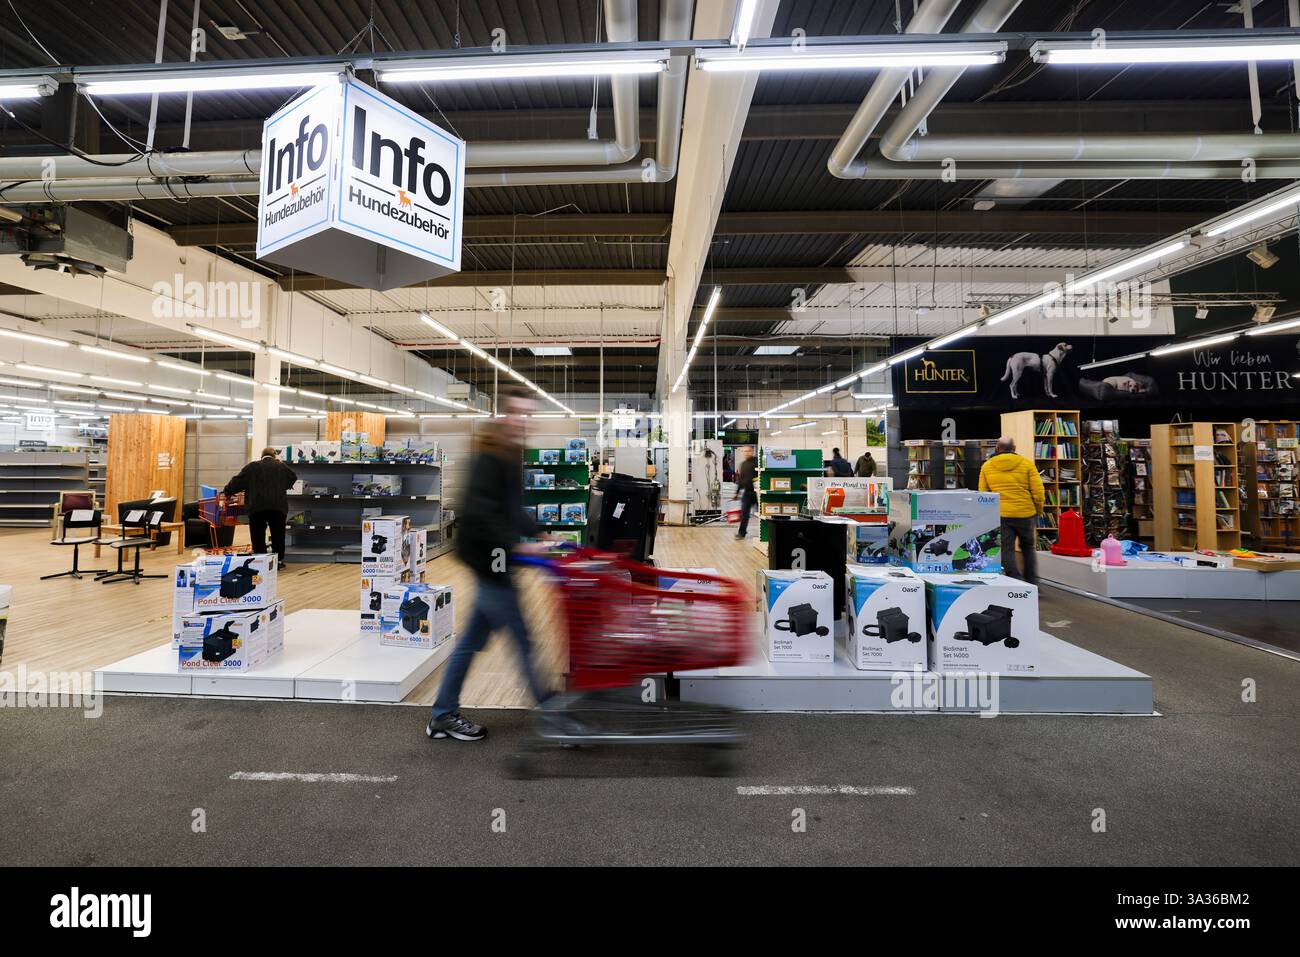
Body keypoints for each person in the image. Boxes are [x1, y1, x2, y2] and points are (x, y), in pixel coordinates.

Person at [427, 386, 552, 742]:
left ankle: (442, 714)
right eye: (517, 413)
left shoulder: (510, 454)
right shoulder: (489, 455)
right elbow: (481, 514)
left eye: (528, 415)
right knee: (523, 638)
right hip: (490, 558)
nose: (522, 421)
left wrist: (541, 533)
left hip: (492, 555)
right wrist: (516, 546)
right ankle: (552, 713)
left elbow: (512, 509)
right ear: (503, 414)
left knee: (470, 641)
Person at [978, 436, 1045, 584]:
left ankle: (1015, 580)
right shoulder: (1027, 464)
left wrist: (987, 516)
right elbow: (1038, 492)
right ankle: (1032, 582)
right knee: (1028, 547)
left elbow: (983, 493)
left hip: (1001, 514)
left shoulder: (987, 466)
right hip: (1026, 513)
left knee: (1006, 548)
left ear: (997, 448)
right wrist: (1038, 510)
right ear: (1014, 449)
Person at [223, 446, 296, 565]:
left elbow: (237, 482)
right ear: (274, 456)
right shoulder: (281, 466)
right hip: (278, 507)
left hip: (257, 506)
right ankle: (278, 560)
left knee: (257, 534)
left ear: (261, 456)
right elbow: (293, 477)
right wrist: (284, 486)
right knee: (278, 534)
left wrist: (227, 491)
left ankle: (261, 559)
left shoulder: (251, 467)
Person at [734, 449, 758, 540]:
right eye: (745, 451)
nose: (747, 453)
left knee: (763, 513)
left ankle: (768, 532)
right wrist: (737, 492)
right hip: (747, 493)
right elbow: (741, 480)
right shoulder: (743, 464)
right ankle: (741, 533)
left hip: (758, 493)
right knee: (744, 514)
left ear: (752, 451)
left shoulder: (757, 462)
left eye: (748, 451)